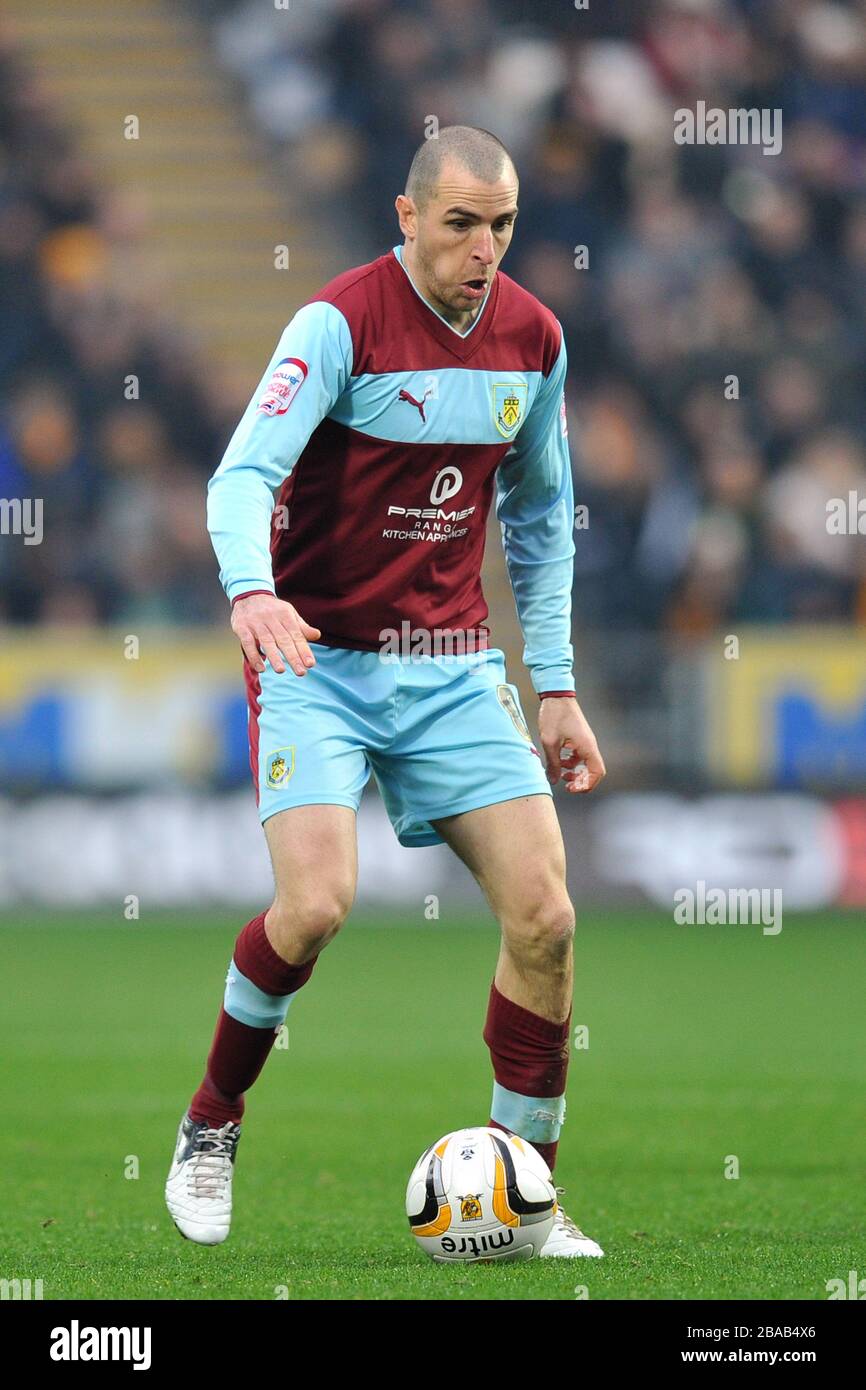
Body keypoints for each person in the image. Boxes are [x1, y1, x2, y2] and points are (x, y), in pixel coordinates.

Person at [165, 126, 606, 1258]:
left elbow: (544, 515)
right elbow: (240, 474)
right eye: (459, 222)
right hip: (317, 658)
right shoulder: (337, 323)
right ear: (406, 218)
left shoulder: (534, 340)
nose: (482, 248)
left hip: (451, 665)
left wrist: (552, 683)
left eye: (500, 226)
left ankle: (530, 1191)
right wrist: (250, 594)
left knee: (547, 918)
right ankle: (211, 1123)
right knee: (313, 906)